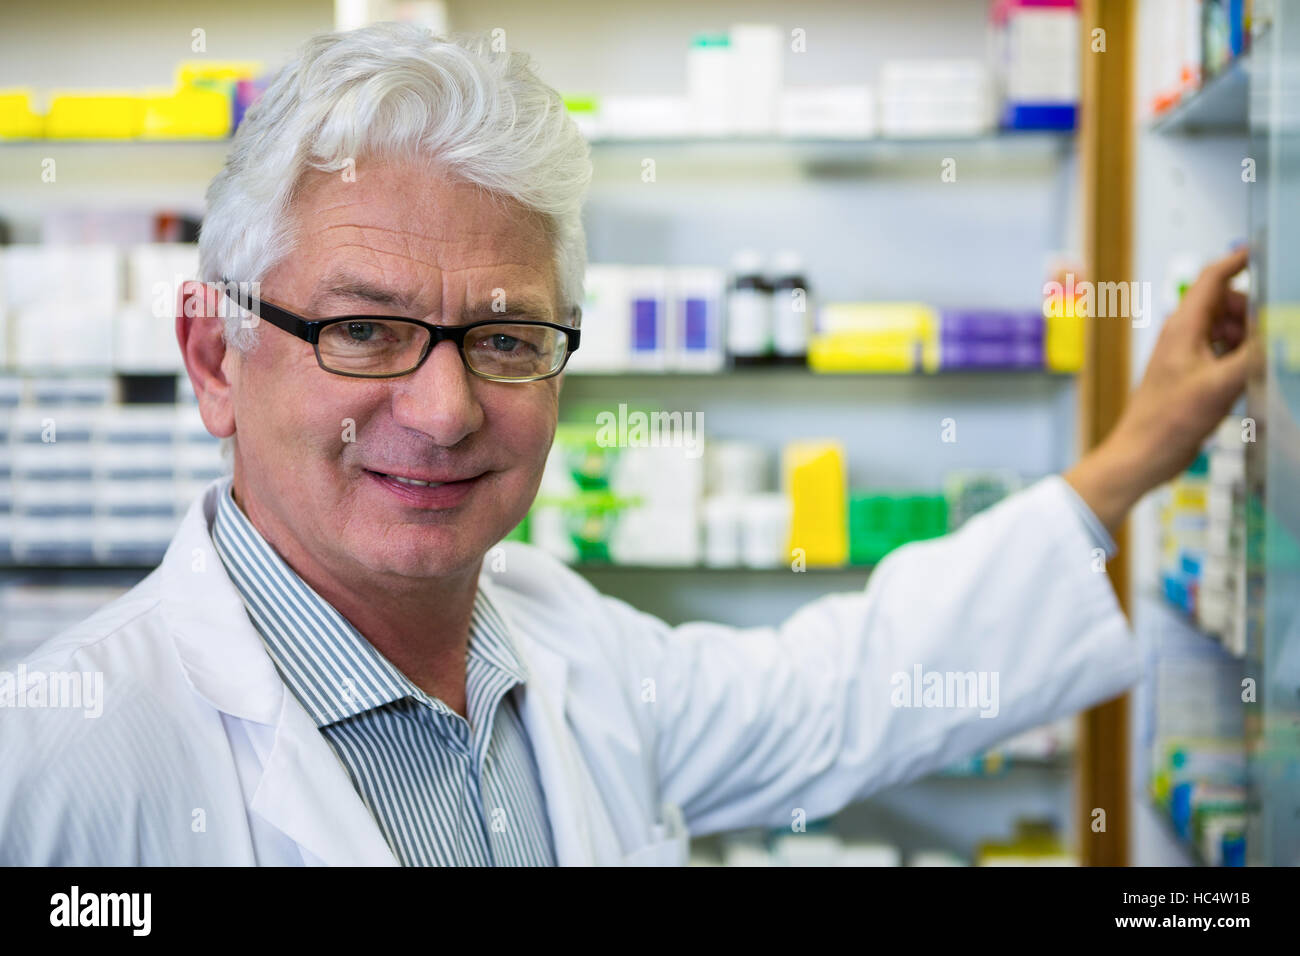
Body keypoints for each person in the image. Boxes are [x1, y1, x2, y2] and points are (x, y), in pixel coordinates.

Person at [0, 23, 1252, 865]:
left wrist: (1134, 455)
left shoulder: (560, 636)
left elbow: (841, 691)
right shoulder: (62, 764)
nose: (443, 413)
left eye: (505, 340)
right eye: (366, 330)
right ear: (217, 357)